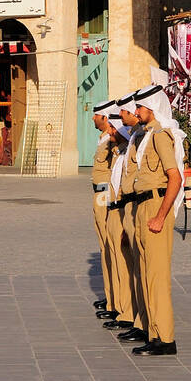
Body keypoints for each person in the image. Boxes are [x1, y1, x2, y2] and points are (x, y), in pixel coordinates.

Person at [130, 84, 185, 356]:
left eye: (139, 107)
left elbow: (175, 178)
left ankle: (165, 338)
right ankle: (153, 333)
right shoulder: (145, 136)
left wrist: (161, 216)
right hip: (143, 207)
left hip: (155, 205)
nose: (135, 111)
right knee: (145, 273)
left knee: (157, 276)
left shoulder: (161, 136)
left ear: (151, 108)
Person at [112, 93, 149, 344]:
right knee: (125, 260)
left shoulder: (154, 137)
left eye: (124, 113)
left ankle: (147, 324)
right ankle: (132, 315)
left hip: (141, 206)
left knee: (144, 269)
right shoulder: (136, 138)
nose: (122, 118)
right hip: (126, 206)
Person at [102, 111, 136, 335]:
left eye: (114, 129)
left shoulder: (126, 155)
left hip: (125, 211)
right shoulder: (119, 153)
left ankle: (127, 313)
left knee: (125, 263)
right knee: (116, 258)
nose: (111, 132)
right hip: (114, 208)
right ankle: (120, 307)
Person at [89, 100, 118, 321]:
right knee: (104, 246)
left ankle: (116, 299)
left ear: (105, 118)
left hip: (106, 195)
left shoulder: (113, 141)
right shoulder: (104, 139)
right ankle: (111, 296)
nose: (93, 118)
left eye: (96, 115)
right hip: (99, 194)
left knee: (110, 246)